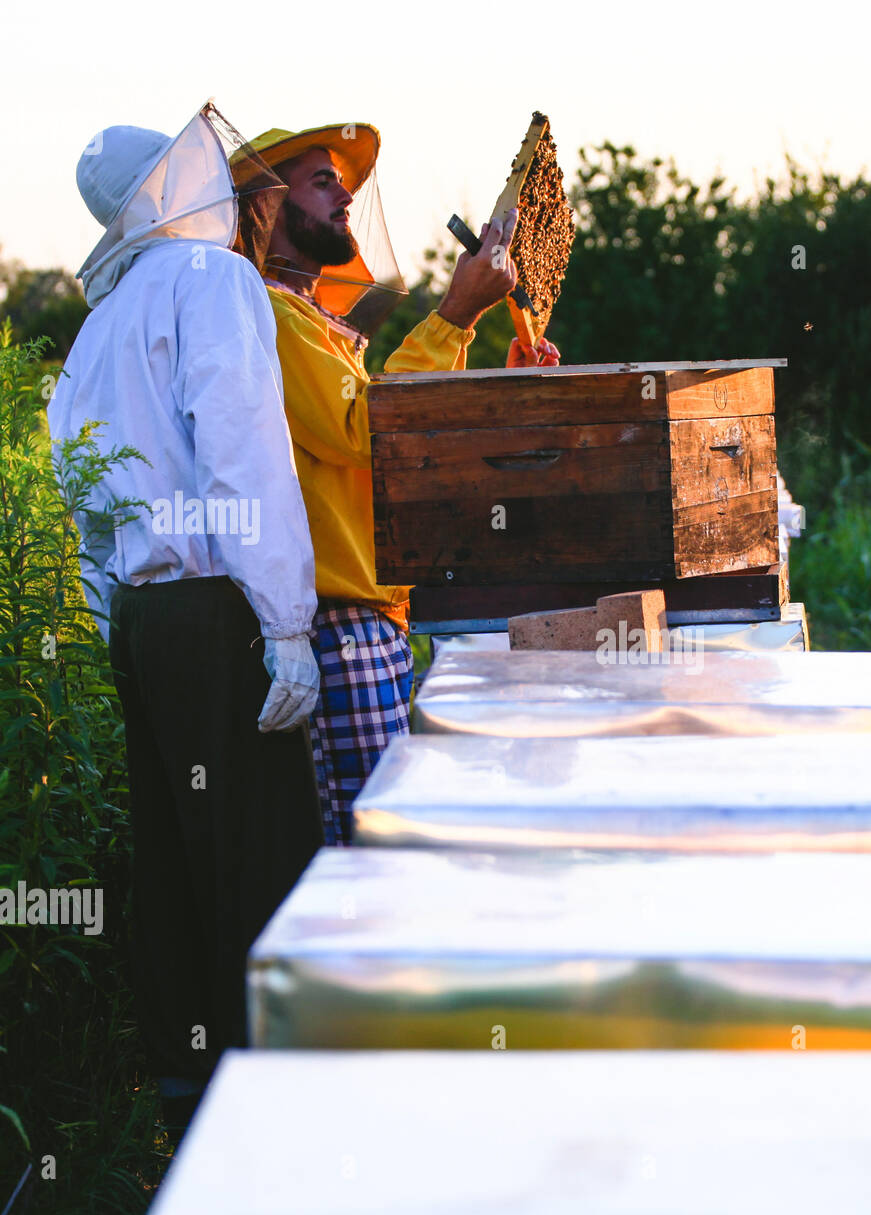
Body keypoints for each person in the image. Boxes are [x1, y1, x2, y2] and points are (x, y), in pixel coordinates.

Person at [47, 104, 323, 1130]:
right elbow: (243, 449)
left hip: (141, 618)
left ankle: (187, 1093)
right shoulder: (212, 280)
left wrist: (114, 611)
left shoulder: (99, 323)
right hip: (220, 614)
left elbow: (85, 497)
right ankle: (274, 1100)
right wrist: (285, 622)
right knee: (258, 853)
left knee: (172, 857)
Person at [233, 123, 559, 844]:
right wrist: (454, 315)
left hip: (369, 621)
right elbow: (371, 431)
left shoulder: (309, 320)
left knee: (389, 837)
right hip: (337, 622)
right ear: (263, 207)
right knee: (371, 850)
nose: (343, 192)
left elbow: (404, 440)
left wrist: (496, 386)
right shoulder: (269, 314)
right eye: (320, 180)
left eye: (342, 179)